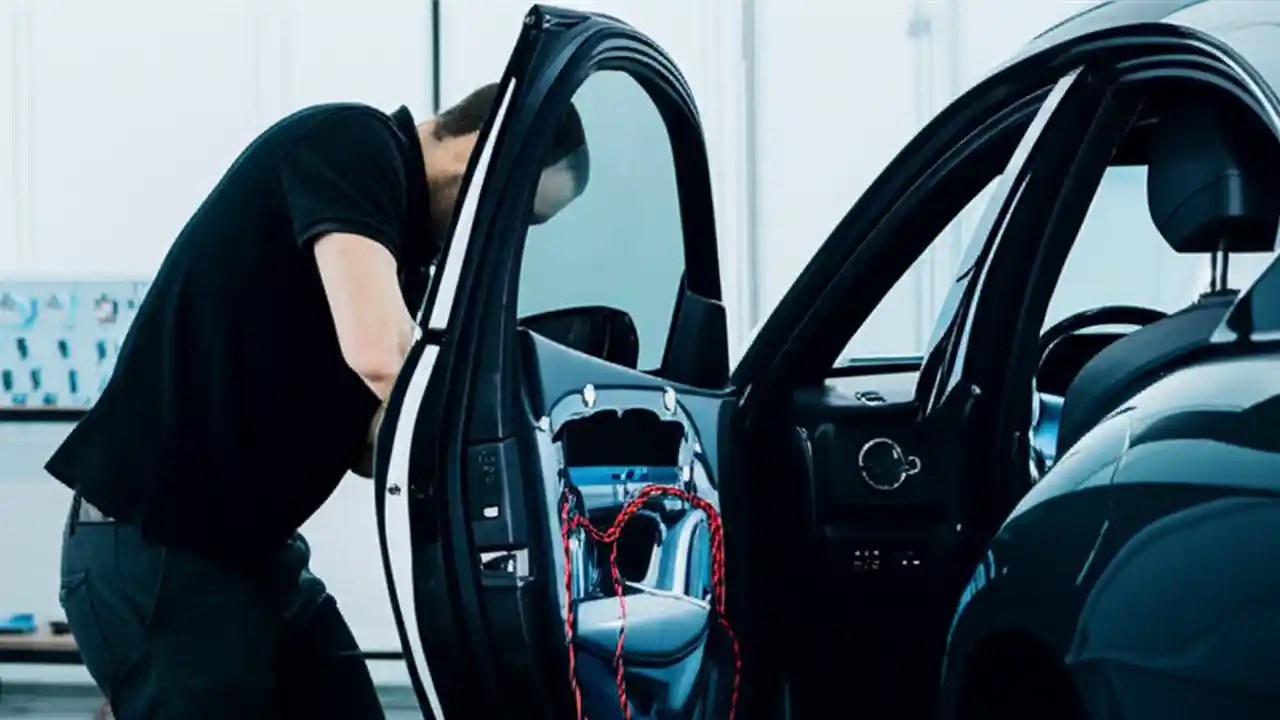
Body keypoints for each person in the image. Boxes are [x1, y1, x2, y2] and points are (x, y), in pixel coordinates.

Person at [46, 83, 590, 719]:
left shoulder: (401, 260)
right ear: (482, 158)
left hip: (255, 558)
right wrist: (496, 442)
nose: (511, 237)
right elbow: (381, 357)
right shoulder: (353, 148)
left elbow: (370, 445)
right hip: (162, 551)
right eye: (524, 217)